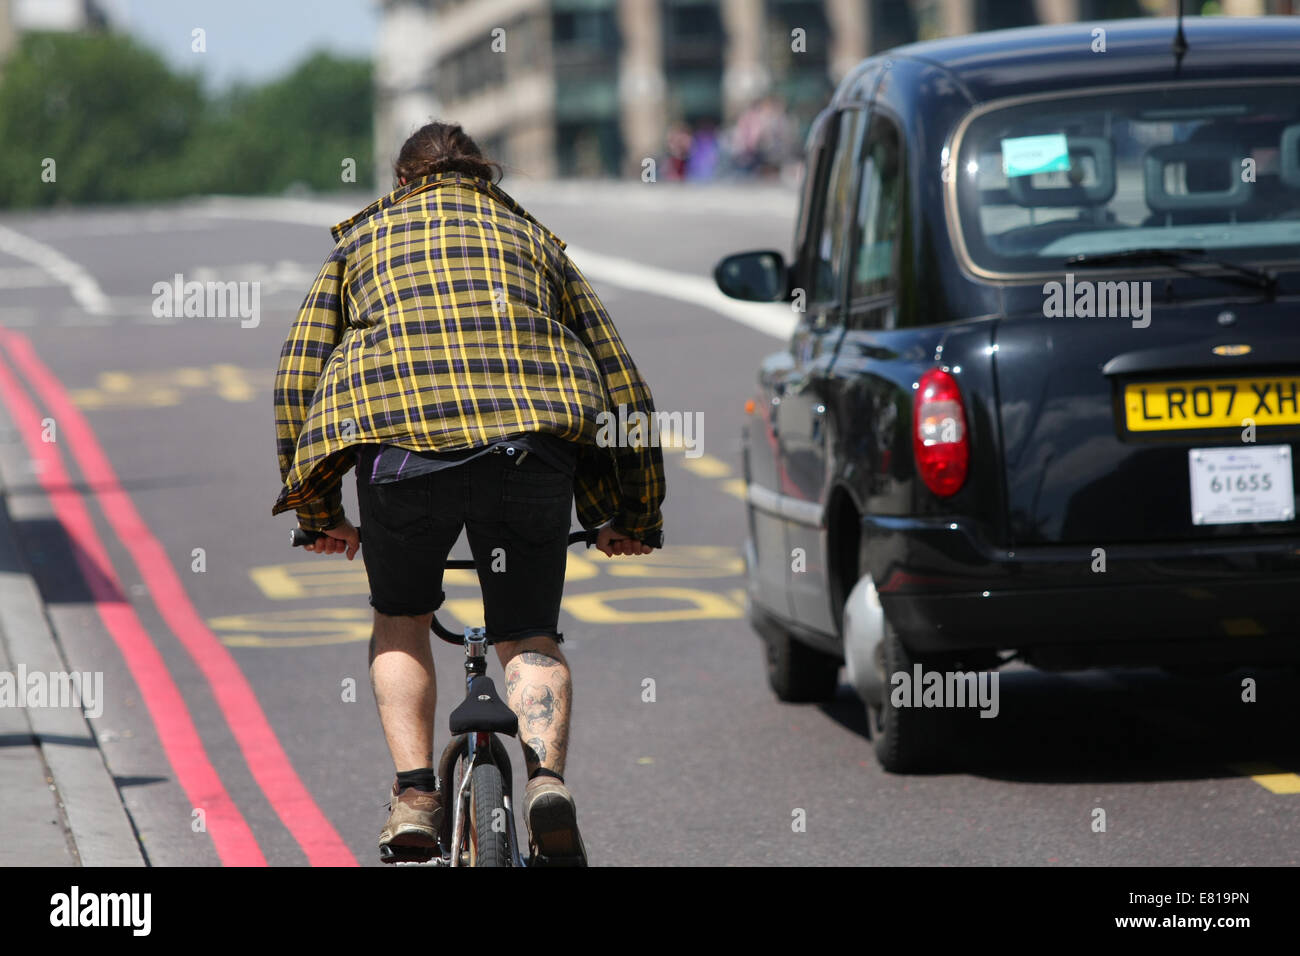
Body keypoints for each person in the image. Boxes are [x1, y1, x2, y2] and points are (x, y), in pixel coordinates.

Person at [271, 121, 666, 865]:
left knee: (402, 617)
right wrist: (627, 515)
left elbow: (298, 378)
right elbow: (622, 382)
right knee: (527, 633)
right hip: (528, 458)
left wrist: (319, 513)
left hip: (401, 463)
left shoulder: (361, 243)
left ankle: (416, 794)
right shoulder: (536, 241)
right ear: (486, 180)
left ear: (402, 181)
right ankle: (546, 781)